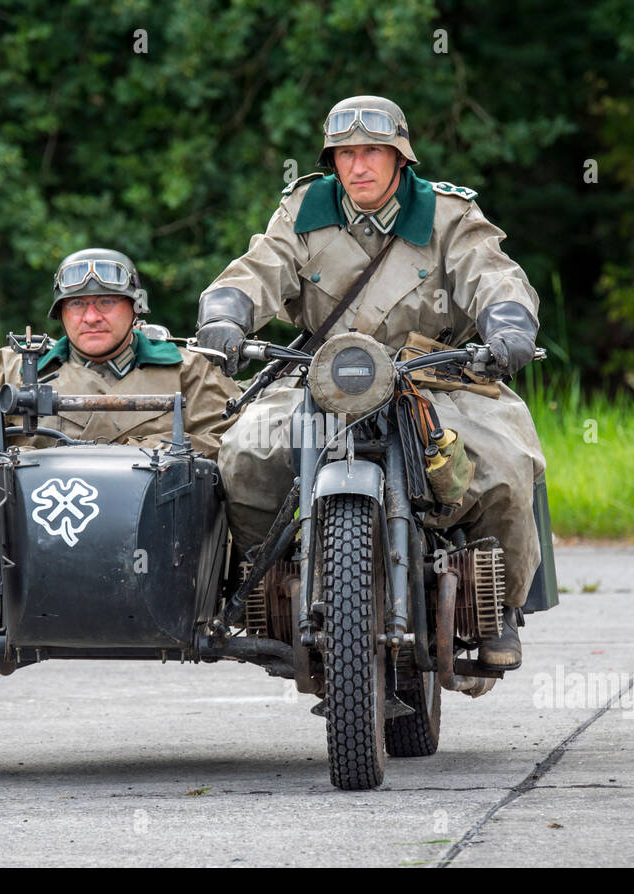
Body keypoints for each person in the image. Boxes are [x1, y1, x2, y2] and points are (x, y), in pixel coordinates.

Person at [195, 95, 545, 670]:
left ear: (400, 157)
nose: (358, 166)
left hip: (436, 376)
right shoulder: (304, 210)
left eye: (373, 152)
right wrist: (226, 317)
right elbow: (258, 268)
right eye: (346, 153)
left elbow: (494, 274)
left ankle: (497, 607)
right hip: (321, 373)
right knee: (242, 455)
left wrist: (506, 326)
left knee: (505, 462)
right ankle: (271, 589)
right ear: (332, 160)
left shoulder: (447, 215)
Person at [0, 248, 239, 459]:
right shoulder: (14, 367)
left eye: (106, 302)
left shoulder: (186, 368)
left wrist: (154, 450)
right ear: (60, 314)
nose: (91, 317)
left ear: (136, 309)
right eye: (76, 304)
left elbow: (237, 437)